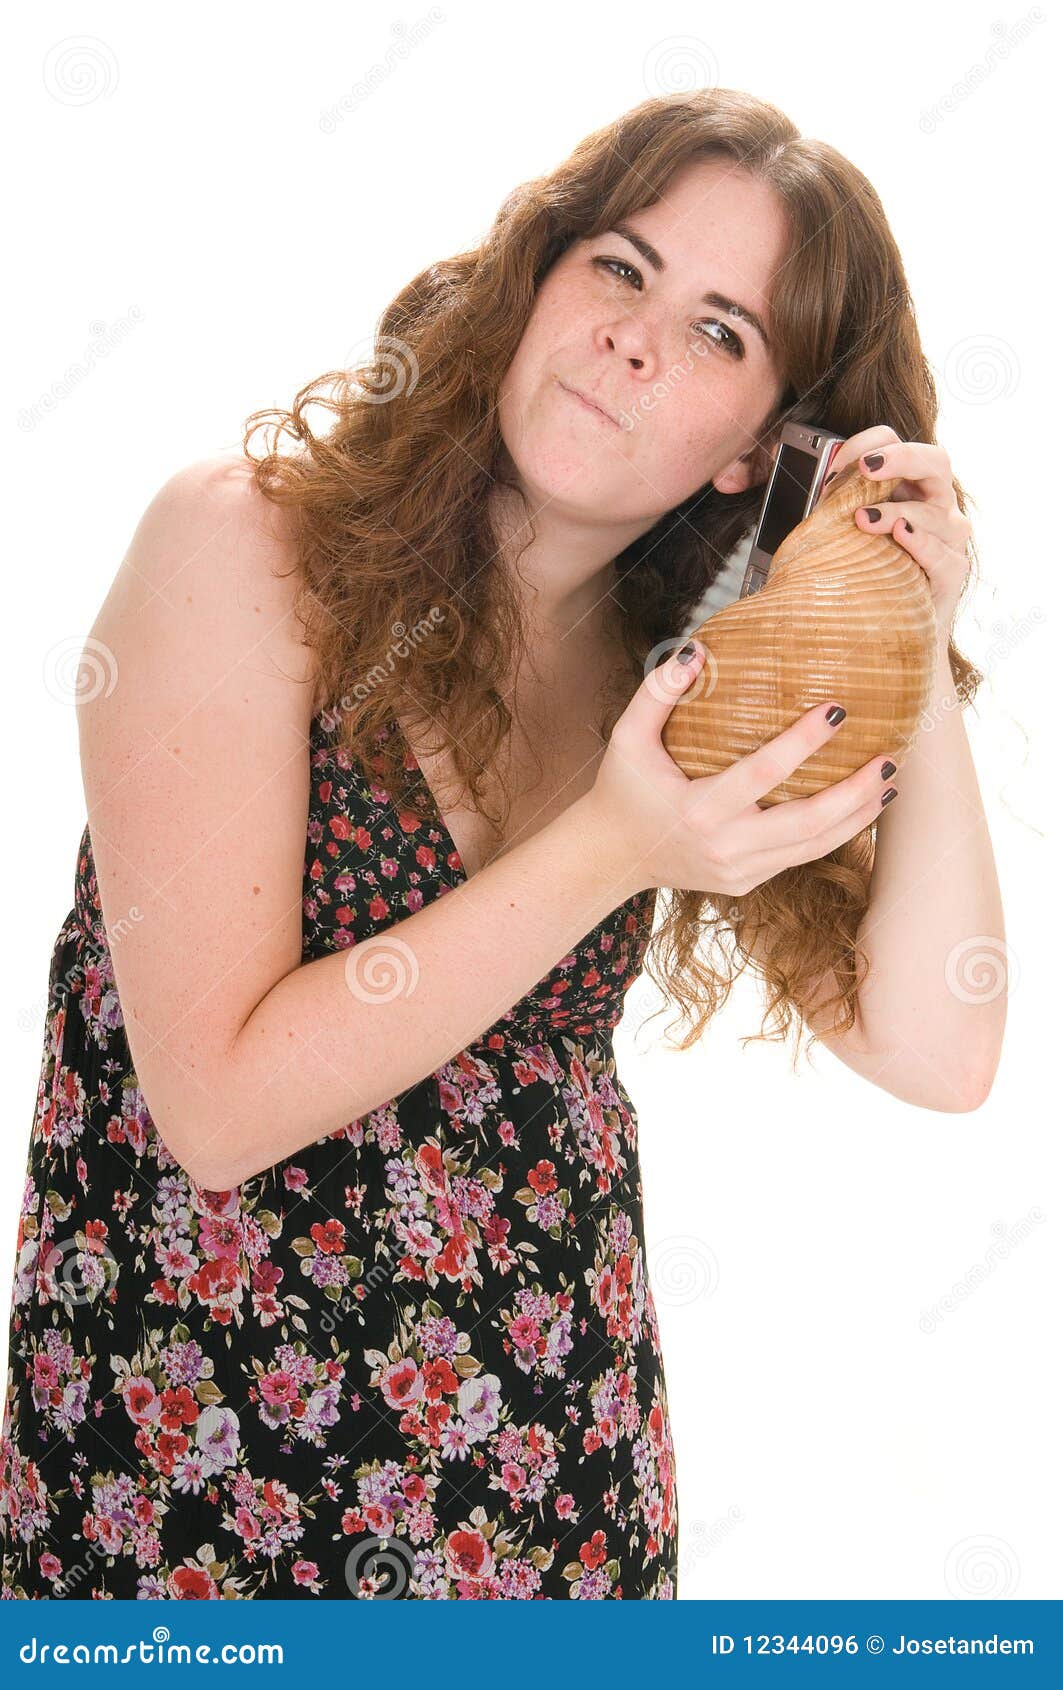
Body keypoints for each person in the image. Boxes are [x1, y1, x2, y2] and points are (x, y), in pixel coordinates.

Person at [0, 87, 1003, 1600]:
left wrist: (903, 629)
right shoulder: (247, 548)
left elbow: (939, 1045)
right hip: (186, 1529)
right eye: (621, 267)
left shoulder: (681, 683)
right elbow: (214, 1105)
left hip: (564, 1532)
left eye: (719, 332)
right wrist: (614, 843)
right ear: (538, 276)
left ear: (759, 452)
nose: (636, 340)